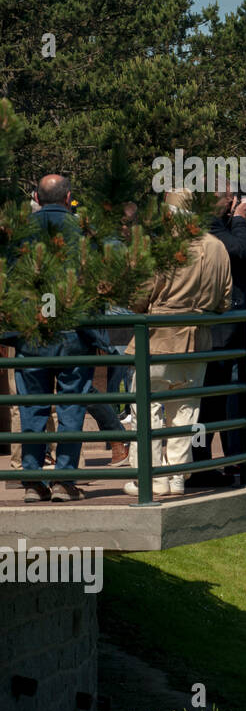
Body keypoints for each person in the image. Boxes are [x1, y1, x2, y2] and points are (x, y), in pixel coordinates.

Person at [124, 188, 233, 498]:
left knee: (147, 410)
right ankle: (175, 477)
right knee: (186, 413)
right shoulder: (218, 247)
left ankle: (151, 476)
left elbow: (138, 299)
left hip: (159, 339)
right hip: (199, 341)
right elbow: (225, 301)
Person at [10, 175, 98, 502]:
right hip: (72, 332)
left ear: (35, 196)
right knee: (71, 409)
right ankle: (63, 480)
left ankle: (33, 481)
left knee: (33, 409)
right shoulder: (81, 232)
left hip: (32, 332)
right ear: (69, 197)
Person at [190, 182, 246, 488]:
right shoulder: (209, 228)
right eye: (232, 198)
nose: (237, 202)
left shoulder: (219, 224)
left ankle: (211, 462)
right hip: (216, 333)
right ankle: (201, 464)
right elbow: (238, 251)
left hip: (225, 331)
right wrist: (241, 220)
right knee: (207, 402)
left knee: (217, 402)